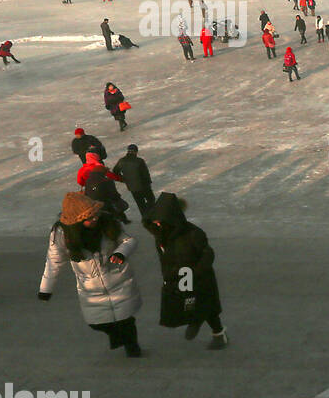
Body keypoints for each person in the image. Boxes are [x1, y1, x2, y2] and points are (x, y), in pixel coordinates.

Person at [38, 192, 143, 357]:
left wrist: (121, 253)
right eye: (89, 218)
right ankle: (118, 337)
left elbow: (129, 241)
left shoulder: (108, 223)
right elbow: (53, 262)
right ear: (75, 221)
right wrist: (45, 289)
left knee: (126, 319)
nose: (95, 219)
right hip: (90, 286)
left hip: (118, 279)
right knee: (96, 323)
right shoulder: (61, 234)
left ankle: (132, 347)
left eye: (96, 215)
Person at [142, 192, 227, 349]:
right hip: (179, 277)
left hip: (198, 276)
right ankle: (195, 321)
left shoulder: (193, 234)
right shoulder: (161, 235)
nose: (157, 225)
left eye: (160, 221)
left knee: (206, 307)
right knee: (187, 302)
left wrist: (197, 271)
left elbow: (208, 254)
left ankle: (217, 332)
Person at [78, 149, 131, 223]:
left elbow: (80, 181)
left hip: (90, 193)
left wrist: (88, 185)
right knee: (114, 202)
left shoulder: (82, 169)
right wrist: (122, 179)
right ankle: (122, 219)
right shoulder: (99, 167)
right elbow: (111, 176)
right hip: (103, 195)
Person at [113, 145, 155, 217]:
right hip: (144, 186)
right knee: (151, 200)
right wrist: (148, 183)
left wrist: (124, 179)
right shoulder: (139, 161)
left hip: (132, 187)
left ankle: (145, 218)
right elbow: (145, 174)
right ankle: (153, 215)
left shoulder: (121, 161)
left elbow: (115, 171)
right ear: (136, 152)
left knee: (140, 204)